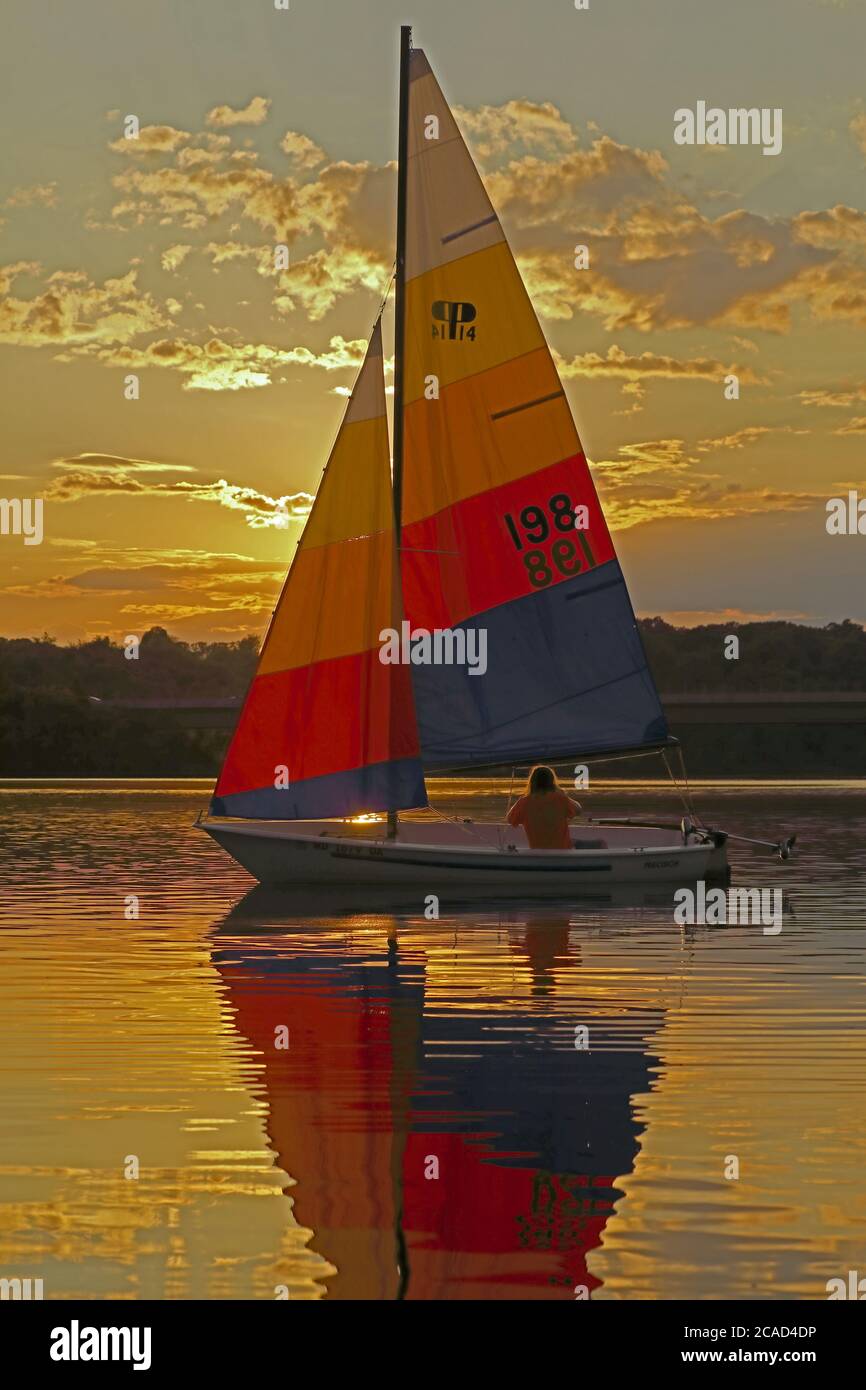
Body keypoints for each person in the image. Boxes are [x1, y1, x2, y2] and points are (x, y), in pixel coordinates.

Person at [506, 766, 581, 850]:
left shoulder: (524, 802)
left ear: (532, 781)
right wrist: (563, 794)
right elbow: (578, 810)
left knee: (575, 841)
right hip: (562, 851)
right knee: (576, 842)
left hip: (537, 851)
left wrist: (520, 801)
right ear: (552, 781)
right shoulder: (560, 798)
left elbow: (509, 819)